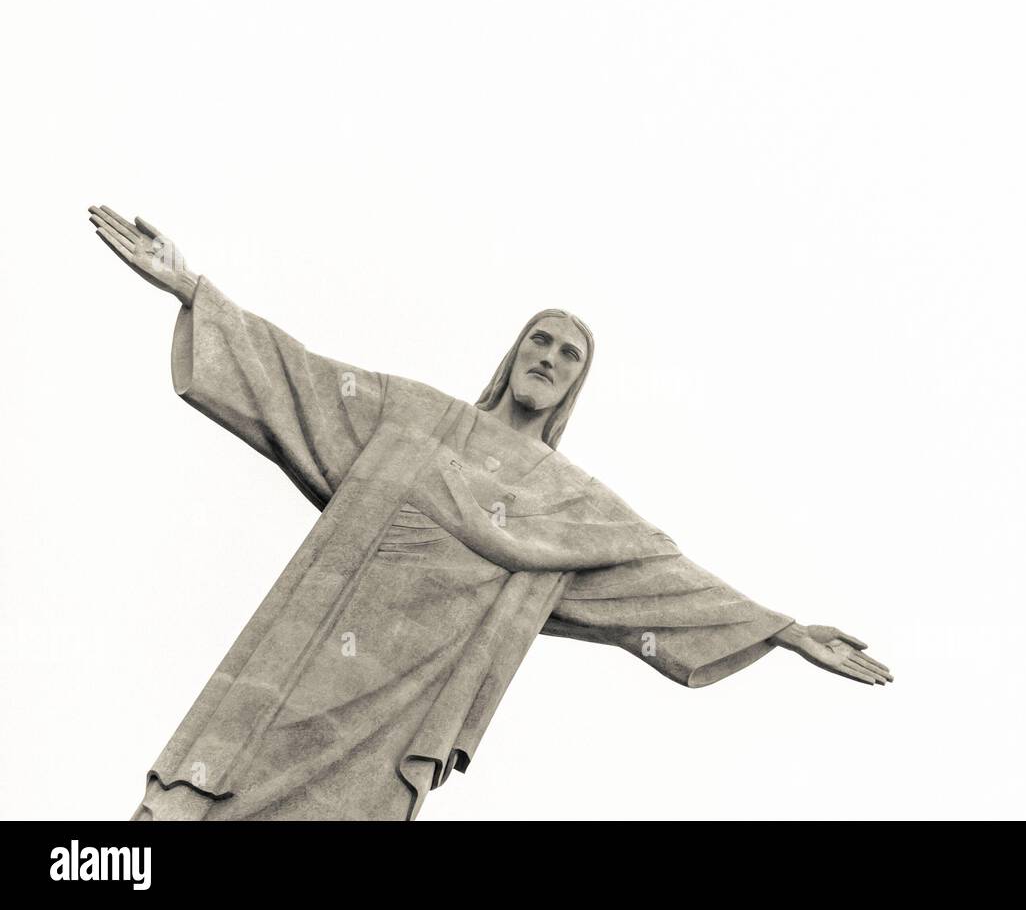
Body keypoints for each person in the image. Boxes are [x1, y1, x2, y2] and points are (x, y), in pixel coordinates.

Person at [88, 204, 893, 821]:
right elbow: (296, 378)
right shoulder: (411, 418)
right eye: (539, 342)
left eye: (568, 355)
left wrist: (783, 630)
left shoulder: (575, 505)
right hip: (295, 667)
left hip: (397, 712)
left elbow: (661, 578)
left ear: (576, 386)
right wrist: (194, 288)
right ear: (514, 356)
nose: (549, 357)